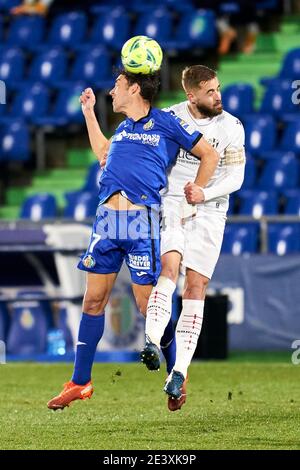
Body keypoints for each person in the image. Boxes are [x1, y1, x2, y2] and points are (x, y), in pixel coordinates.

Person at [47, 69, 219, 410]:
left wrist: (195, 193)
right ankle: (80, 382)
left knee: (147, 307)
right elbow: (102, 155)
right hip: (106, 223)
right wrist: (88, 114)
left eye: (117, 86)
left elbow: (209, 155)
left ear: (134, 88)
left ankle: (176, 376)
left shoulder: (167, 123)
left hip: (141, 225)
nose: (112, 92)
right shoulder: (123, 130)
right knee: (93, 302)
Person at [140, 65, 245, 411]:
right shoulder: (171, 118)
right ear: (191, 95)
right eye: (211, 91)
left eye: (218, 89)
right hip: (173, 201)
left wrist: (203, 191)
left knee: (195, 287)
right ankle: (152, 342)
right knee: (169, 268)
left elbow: (236, 177)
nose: (218, 96)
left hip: (212, 209)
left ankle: (179, 373)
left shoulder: (231, 126)